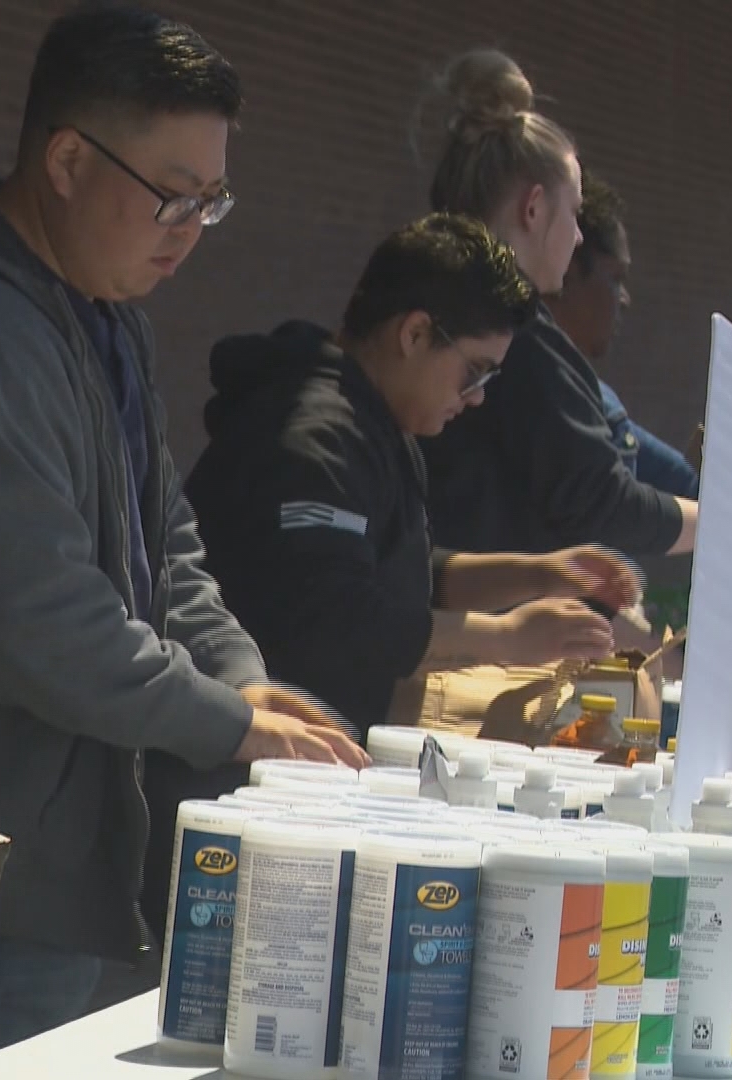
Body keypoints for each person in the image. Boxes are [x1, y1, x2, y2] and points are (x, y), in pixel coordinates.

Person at [0, 9, 365, 1078]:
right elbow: (28, 619)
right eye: (173, 194)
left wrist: (244, 679)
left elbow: (163, 536)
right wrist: (227, 723)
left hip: (43, 885)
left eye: (212, 199)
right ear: (68, 161)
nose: (191, 229)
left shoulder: (101, 311)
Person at [147, 214, 639, 933]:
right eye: (474, 372)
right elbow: (343, 618)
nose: (477, 398)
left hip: (295, 781)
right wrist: (507, 638)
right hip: (240, 797)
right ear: (414, 334)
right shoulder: (314, 436)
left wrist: (538, 572)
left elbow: (404, 572)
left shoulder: (374, 422)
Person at [417, 49, 701, 557]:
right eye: (572, 212)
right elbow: (602, 502)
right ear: (533, 208)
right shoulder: (513, 336)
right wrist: (726, 526)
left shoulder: (439, 302)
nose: (577, 237)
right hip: (498, 602)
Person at [551, 172, 701, 499]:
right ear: (567, 272)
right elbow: (624, 509)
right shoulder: (546, 394)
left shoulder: (597, 399)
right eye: (616, 278)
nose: (624, 299)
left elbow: (685, 485)